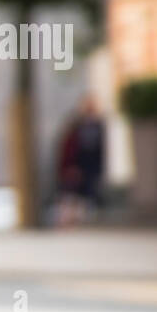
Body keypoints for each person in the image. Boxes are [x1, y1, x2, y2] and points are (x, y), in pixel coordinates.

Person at [56, 96, 105, 225]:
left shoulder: (99, 125)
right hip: (76, 166)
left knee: (88, 197)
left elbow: (101, 150)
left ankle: (83, 222)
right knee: (72, 196)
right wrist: (70, 166)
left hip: (92, 167)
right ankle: (70, 222)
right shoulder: (76, 125)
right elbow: (69, 147)